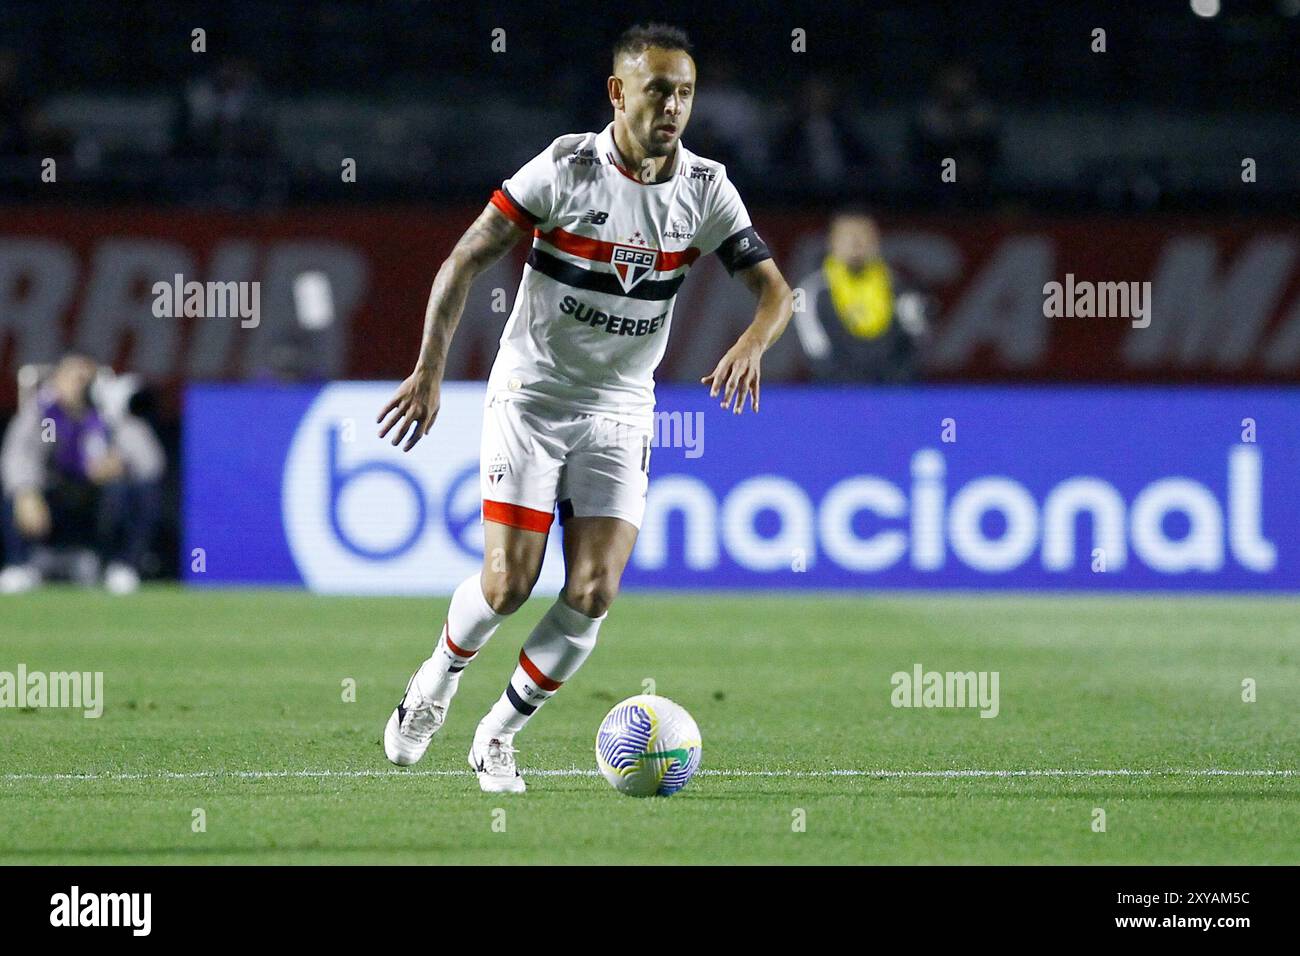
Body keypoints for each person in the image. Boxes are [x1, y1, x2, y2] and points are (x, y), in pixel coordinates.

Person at [376, 23, 793, 793]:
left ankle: (497, 736)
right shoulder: (567, 168)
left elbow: (774, 291)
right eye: (659, 89)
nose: (674, 106)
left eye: (687, 93)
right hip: (533, 395)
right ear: (619, 92)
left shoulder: (705, 187)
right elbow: (465, 258)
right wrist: (429, 370)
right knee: (508, 585)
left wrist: (755, 341)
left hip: (622, 405)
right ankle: (434, 681)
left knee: (594, 591)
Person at [0, 355, 164, 594]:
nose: (79, 384)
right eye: (72, 377)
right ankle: (20, 564)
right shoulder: (43, 413)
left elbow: (152, 464)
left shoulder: (109, 413)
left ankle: (122, 566)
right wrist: (27, 491)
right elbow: (18, 456)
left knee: (140, 491)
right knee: (15, 491)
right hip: (53, 499)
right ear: (56, 379)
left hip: (96, 502)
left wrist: (120, 459)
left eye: (86, 378)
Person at [794, 211, 927, 384]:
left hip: (892, 392)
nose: (856, 243)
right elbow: (815, 351)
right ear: (832, 242)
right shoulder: (809, 291)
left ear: (876, 241)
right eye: (847, 236)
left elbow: (915, 344)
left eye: (864, 236)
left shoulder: (903, 288)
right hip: (836, 394)